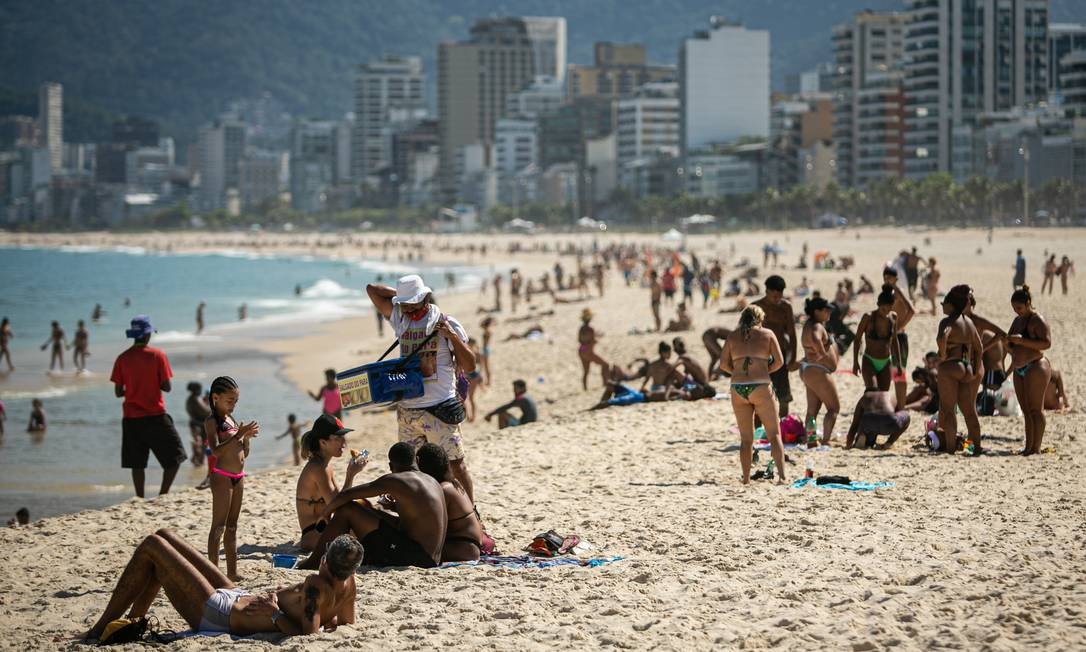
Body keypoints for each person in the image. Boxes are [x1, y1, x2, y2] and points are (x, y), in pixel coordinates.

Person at [84, 529, 360, 640]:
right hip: (237, 596)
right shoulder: (349, 584)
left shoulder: (314, 584)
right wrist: (291, 602)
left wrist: (275, 614)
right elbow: (344, 622)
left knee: (153, 547)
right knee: (165, 536)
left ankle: (96, 632)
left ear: (324, 561)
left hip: (221, 615)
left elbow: (307, 636)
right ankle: (133, 621)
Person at [368, 274, 477, 502]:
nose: (407, 310)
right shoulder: (400, 317)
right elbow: (372, 290)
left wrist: (452, 336)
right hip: (408, 411)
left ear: (425, 298)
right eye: (404, 306)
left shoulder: (446, 321)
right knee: (411, 471)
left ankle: (471, 514)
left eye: (412, 305)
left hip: (440, 408)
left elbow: (470, 364)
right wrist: (400, 297)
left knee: (455, 466)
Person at [298, 442, 447, 570]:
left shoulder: (397, 479)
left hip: (415, 558)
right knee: (370, 511)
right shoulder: (432, 481)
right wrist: (377, 512)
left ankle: (314, 561)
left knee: (348, 509)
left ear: (390, 466)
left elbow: (346, 495)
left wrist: (325, 514)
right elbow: (410, 525)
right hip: (432, 558)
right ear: (417, 460)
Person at [110, 315, 186, 498]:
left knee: (137, 463)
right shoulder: (158, 355)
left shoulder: (122, 358)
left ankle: (140, 497)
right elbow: (167, 387)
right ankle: (163, 494)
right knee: (175, 457)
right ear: (147, 335)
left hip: (131, 418)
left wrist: (134, 387)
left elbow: (118, 392)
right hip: (155, 415)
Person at [720, 306, 786, 484]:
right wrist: (765, 370)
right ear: (759, 318)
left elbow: (723, 364)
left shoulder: (733, 336)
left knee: (746, 439)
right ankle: (782, 477)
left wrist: (737, 372)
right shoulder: (768, 334)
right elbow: (779, 361)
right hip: (761, 385)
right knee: (774, 434)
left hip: (738, 387)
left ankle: (747, 479)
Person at [204, 376, 259, 581]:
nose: (233, 405)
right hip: (222, 477)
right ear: (215, 398)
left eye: (236, 401)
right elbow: (216, 452)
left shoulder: (231, 419)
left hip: (238, 476)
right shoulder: (211, 421)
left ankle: (232, 572)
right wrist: (238, 436)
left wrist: (247, 438)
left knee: (233, 526)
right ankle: (212, 572)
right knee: (218, 526)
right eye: (230, 401)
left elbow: (243, 452)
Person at [295, 414, 368, 551]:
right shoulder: (318, 468)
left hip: (325, 530)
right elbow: (338, 506)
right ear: (323, 443)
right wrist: (350, 475)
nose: (344, 444)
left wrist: (351, 475)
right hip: (314, 535)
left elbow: (340, 500)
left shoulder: (325, 465)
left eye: (343, 438)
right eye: (338, 438)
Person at [416, 443, 485, 562]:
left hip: (463, 549)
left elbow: (428, 523)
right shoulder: (453, 484)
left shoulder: (443, 490)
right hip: (468, 546)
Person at [935, 285, 984, 454]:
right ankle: (976, 448)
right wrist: (977, 368)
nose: (942, 306)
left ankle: (950, 449)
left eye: (944, 303)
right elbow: (979, 347)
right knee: (970, 411)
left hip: (950, 367)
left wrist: (942, 356)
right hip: (967, 368)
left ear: (951, 305)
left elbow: (943, 340)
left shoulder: (946, 322)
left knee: (949, 410)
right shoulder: (969, 323)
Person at [1007, 285, 1052, 455]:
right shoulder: (1017, 321)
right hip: (1019, 368)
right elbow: (1010, 342)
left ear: (1028, 303)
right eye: (1014, 309)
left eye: (1019, 308)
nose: (1017, 311)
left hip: (1036, 366)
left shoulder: (1037, 320)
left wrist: (1022, 341)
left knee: (1036, 409)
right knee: (1026, 410)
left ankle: (1036, 447)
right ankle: (1028, 447)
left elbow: (1047, 343)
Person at [752, 276, 798, 419]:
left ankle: (783, 424)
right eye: (774, 296)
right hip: (760, 355)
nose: (776, 299)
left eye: (779, 296)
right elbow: (747, 333)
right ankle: (758, 427)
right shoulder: (755, 307)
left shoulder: (785, 307)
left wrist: (793, 358)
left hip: (780, 353)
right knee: (759, 392)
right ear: (766, 291)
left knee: (783, 394)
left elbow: (792, 333)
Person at [800, 297, 840, 445]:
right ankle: (825, 440)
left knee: (812, 410)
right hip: (818, 370)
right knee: (834, 408)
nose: (829, 312)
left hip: (810, 370)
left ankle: (811, 440)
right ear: (816, 311)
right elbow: (816, 338)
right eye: (826, 310)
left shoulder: (809, 325)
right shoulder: (816, 326)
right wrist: (822, 353)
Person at [852, 286, 901, 393]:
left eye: (889, 308)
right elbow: (857, 340)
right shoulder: (868, 317)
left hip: (886, 362)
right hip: (869, 360)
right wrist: (855, 362)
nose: (886, 312)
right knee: (872, 391)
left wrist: (898, 363)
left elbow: (894, 340)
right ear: (878, 305)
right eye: (884, 309)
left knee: (883, 395)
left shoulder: (893, 317)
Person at [882, 267, 916, 410]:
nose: (887, 280)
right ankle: (891, 404)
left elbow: (911, 310)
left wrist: (900, 326)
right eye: (885, 277)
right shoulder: (886, 293)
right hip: (887, 336)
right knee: (888, 371)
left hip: (899, 336)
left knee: (899, 372)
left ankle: (901, 406)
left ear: (895, 278)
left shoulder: (898, 291)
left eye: (890, 278)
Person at [844, 389, 910, 450]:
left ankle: (862, 434)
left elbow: (854, 424)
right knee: (906, 416)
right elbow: (899, 413)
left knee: (866, 420)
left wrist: (848, 445)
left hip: (868, 422)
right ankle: (888, 443)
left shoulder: (865, 396)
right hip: (887, 421)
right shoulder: (891, 395)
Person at [577, 308, 610, 392]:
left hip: (581, 351)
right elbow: (592, 340)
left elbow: (580, 340)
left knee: (586, 370)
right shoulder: (590, 329)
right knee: (605, 365)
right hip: (588, 351)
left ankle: (584, 388)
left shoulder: (581, 328)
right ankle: (605, 383)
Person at [185, 382, 211, 467]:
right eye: (199, 389)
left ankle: (199, 460)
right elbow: (206, 411)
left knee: (201, 442)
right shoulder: (195, 399)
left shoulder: (191, 399)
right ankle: (198, 460)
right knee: (200, 442)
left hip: (196, 423)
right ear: (196, 390)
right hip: (198, 424)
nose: (200, 391)